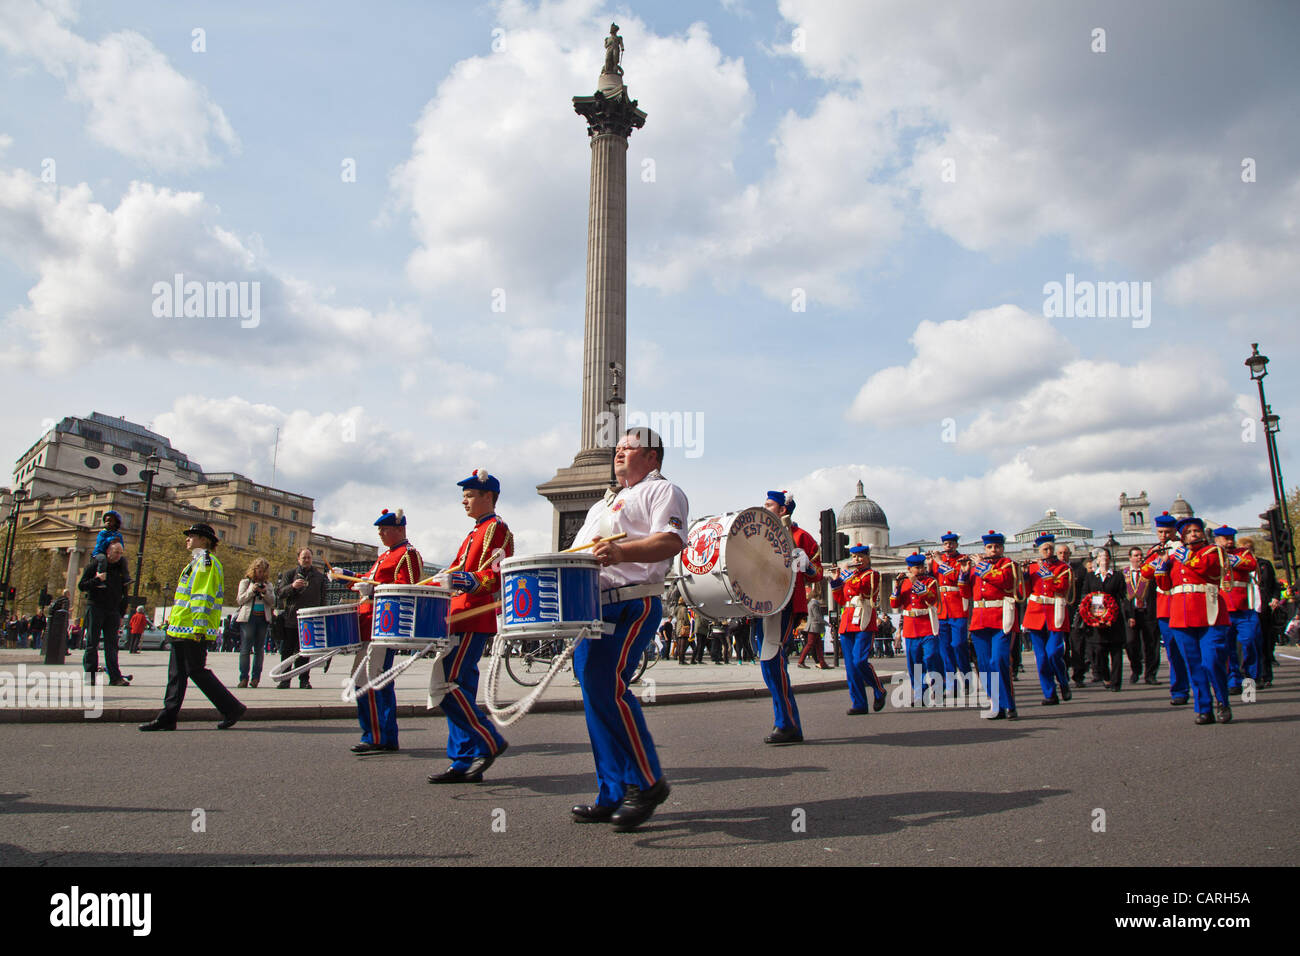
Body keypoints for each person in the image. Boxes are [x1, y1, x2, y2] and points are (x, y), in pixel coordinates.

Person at [568, 427, 686, 831]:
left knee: (609, 687)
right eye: (617, 447)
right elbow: (577, 555)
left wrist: (621, 551)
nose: (618, 451)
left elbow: (670, 541)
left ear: (652, 457)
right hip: (593, 607)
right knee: (595, 694)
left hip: (631, 602)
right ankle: (613, 790)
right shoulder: (605, 503)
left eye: (628, 447)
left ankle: (647, 782)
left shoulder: (663, 491)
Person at [428, 470, 512, 784]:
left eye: (469, 494)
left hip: (474, 615)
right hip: (457, 613)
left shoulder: (496, 529)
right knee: (458, 687)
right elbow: (456, 567)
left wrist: (463, 580)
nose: (464, 500)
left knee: (447, 684)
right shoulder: (473, 532)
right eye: (464, 495)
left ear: (487, 496)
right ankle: (462, 759)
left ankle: (488, 741)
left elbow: (495, 574)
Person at [139, 523, 246, 731]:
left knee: (195, 671)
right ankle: (168, 716)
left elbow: (202, 597)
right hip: (180, 628)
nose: (187, 539)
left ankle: (232, 707)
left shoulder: (206, 563)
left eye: (192, 536)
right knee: (178, 674)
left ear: (204, 540)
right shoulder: (196, 562)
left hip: (192, 630)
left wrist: (199, 628)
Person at [347, 509, 423, 754]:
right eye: (379, 530)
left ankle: (378, 736)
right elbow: (370, 580)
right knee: (366, 679)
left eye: (385, 529)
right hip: (369, 624)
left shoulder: (407, 554)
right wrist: (348, 578)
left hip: (384, 623)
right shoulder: (387, 556)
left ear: (400, 529)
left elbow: (407, 588)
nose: (380, 534)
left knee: (372, 679)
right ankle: (377, 734)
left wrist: (372, 590)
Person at [754, 490, 822, 745]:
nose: (764, 507)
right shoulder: (759, 534)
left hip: (785, 605)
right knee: (767, 663)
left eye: (769, 505)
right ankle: (786, 720)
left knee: (773, 661)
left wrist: (805, 564)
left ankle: (787, 723)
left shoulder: (801, 536)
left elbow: (817, 575)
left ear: (783, 510)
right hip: (761, 604)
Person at [1153, 516, 1232, 725]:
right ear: (1182, 537)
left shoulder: (1213, 551)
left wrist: (1186, 556)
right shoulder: (1174, 558)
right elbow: (1166, 585)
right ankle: (1203, 707)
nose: (1193, 534)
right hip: (1181, 617)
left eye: (1196, 531)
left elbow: (1208, 569)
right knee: (1193, 665)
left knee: (1212, 660)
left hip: (1209, 614)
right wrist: (1161, 566)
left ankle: (1223, 701)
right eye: (1188, 532)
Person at [1140, 512, 1190, 705]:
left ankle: (1197, 686)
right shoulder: (1156, 550)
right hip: (1164, 605)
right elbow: (1145, 573)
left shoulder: (1182, 549)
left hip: (1182, 602)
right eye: (1160, 532)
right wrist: (1155, 563)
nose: (1163, 536)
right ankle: (1178, 690)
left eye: (1167, 532)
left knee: (1188, 650)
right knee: (1172, 650)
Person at [832, 544, 887, 714]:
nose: (857, 560)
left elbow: (861, 588)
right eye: (854, 557)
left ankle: (879, 689)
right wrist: (836, 581)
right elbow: (842, 599)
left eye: (861, 557)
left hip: (863, 619)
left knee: (859, 660)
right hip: (848, 620)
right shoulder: (851, 577)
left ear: (868, 558)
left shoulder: (872, 575)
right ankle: (859, 703)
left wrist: (846, 574)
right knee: (851, 667)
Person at [969, 531, 1018, 719]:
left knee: (999, 661)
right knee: (984, 665)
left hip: (1001, 618)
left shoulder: (1008, 565)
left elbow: (1004, 581)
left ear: (1002, 548)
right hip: (980, 619)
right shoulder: (976, 568)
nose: (993, 550)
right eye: (989, 547)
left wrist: (981, 566)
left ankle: (1009, 703)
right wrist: (964, 574)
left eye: (996, 547)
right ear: (985, 549)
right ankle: (995, 704)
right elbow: (967, 592)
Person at [1021, 533, 1074, 704]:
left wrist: (1046, 574)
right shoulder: (1032, 568)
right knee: (1042, 658)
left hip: (1055, 613)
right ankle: (1049, 693)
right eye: (1045, 549)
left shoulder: (1063, 568)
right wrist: (1025, 577)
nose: (1048, 551)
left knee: (1053, 653)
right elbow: (1025, 592)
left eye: (1051, 548)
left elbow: (1061, 588)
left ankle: (1063, 682)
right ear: (1038, 550)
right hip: (1036, 614)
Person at [77, 540, 132, 686]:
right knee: (92, 643)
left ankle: (115, 677)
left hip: (113, 610)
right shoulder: (96, 565)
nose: (119, 555)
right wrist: (97, 580)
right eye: (116, 552)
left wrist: (121, 614)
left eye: (121, 553)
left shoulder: (121, 569)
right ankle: (90, 676)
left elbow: (124, 593)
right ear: (108, 551)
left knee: (112, 645)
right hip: (95, 607)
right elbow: (82, 586)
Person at [891, 552, 942, 707]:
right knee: (914, 663)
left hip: (927, 625)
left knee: (931, 656)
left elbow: (932, 599)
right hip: (910, 627)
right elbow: (894, 604)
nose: (920, 570)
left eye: (922, 567)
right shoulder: (903, 583)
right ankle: (920, 693)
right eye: (916, 568)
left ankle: (937, 685)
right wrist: (897, 588)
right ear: (909, 569)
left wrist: (917, 584)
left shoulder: (930, 581)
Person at [1213, 526, 1259, 695]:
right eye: (1225, 538)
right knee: (1227, 648)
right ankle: (1233, 680)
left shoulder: (1242, 553)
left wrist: (1230, 559)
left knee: (1248, 642)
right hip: (1223, 610)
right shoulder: (1211, 554)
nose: (1230, 541)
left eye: (1231, 537)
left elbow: (1252, 564)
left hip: (1244, 609)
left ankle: (1249, 682)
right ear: (1217, 540)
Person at [276, 548, 328, 689]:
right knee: (287, 651)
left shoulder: (319, 577)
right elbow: (280, 593)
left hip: (310, 620)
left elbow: (323, 598)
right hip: (292, 618)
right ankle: (285, 679)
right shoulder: (290, 574)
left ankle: (304, 680)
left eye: (309, 557)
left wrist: (322, 616)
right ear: (298, 559)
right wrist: (292, 586)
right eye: (304, 557)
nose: (306, 560)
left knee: (305, 652)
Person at [929, 532, 973, 696]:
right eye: (946, 544)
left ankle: (967, 678)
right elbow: (932, 579)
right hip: (942, 609)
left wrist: (940, 562)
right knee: (945, 649)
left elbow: (957, 577)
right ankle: (951, 685)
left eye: (951, 544)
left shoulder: (963, 560)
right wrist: (929, 564)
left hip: (957, 608)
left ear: (956, 544)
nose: (949, 546)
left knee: (959, 644)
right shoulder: (936, 562)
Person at [1078, 547, 1126, 690]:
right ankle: (1106, 676)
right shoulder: (1091, 577)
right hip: (1096, 618)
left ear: (1110, 559)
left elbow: (1122, 595)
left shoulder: (1117, 576)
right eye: (1100, 556)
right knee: (1099, 651)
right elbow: (1085, 596)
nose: (1103, 559)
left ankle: (1116, 682)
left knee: (1116, 652)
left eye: (1106, 556)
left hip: (1114, 619)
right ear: (1097, 560)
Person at [235, 558, 276, 688]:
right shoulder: (245, 582)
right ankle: (243, 678)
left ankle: (256, 678)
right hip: (248, 618)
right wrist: (251, 590)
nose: (261, 574)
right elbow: (240, 600)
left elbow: (273, 602)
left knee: (259, 650)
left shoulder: (268, 585)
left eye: (264, 572)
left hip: (263, 619)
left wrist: (264, 593)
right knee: (245, 649)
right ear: (254, 570)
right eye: (259, 571)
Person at [1122, 546, 1160, 684]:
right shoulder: (1124, 574)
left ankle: (1150, 674)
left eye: (1140, 555)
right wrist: (1129, 615)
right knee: (1131, 643)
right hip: (1133, 614)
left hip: (1149, 612)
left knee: (1151, 644)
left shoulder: (1149, 573)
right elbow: (1124, 598)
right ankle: (1135, 669)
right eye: (1136, 555)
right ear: (1130, 558)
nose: (1139, 558)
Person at [797, 588, 830, 669]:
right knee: (810, 644)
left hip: (814, 627)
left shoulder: (811, 603)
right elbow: (817, 616)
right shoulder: (814, 604)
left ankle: (822, 663)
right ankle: (801, 661)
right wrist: (827, 623)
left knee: (818, 645)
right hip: (814, 627)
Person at [43, 589, 70, 665]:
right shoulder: (65, 600)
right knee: (64, 637)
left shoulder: (58, 599)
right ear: (67, 594)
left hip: (54, 621)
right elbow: (64, 611)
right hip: (60, 622)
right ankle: (64, 651)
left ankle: (63, 651)